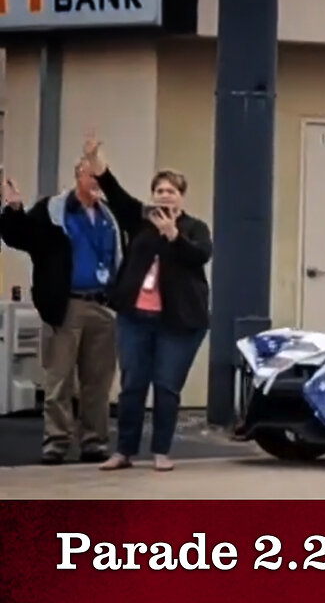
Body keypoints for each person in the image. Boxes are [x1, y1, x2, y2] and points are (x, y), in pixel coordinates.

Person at [81, 136, 213, 473]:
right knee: (132, 385)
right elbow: (116, 192)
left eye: (171, 191)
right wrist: (97, 160)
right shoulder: (139, 221)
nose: (164, 196)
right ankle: (123, 451)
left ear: (182, 197)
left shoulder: (195, 228)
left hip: (178, 322)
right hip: (135, 317)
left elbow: (200, 255)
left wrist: (173, 234)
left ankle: (161, 452)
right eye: (160, 190)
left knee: (167, 386)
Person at [0, 157, 122, 465]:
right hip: (65, 305)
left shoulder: (109, 217)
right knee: (59, 380)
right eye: (89, 175)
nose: (96, 182)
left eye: (99, 177)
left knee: (98, 382)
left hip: (103, 306)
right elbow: (19, 237)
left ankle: (94, 441)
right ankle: (56, 441)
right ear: (77, 177)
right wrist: (13, 210)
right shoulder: (53, 212)